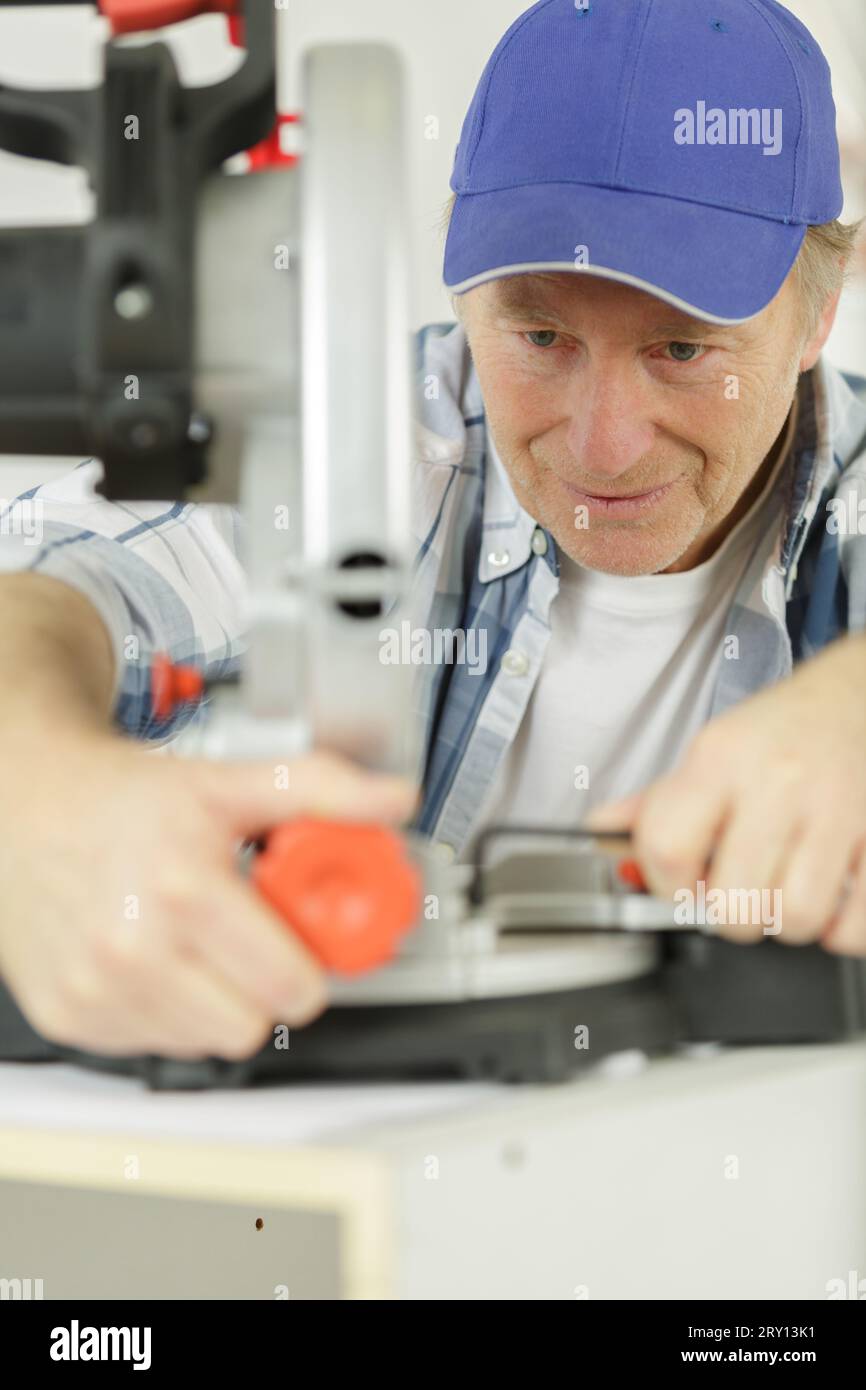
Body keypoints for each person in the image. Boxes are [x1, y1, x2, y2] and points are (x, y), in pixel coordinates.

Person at [0, 0, 864, 1061]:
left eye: (681, 350)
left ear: (817, 312)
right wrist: (28, 777)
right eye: (538, 334)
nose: (599, 446)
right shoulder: (364, 439)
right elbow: (54, 578)